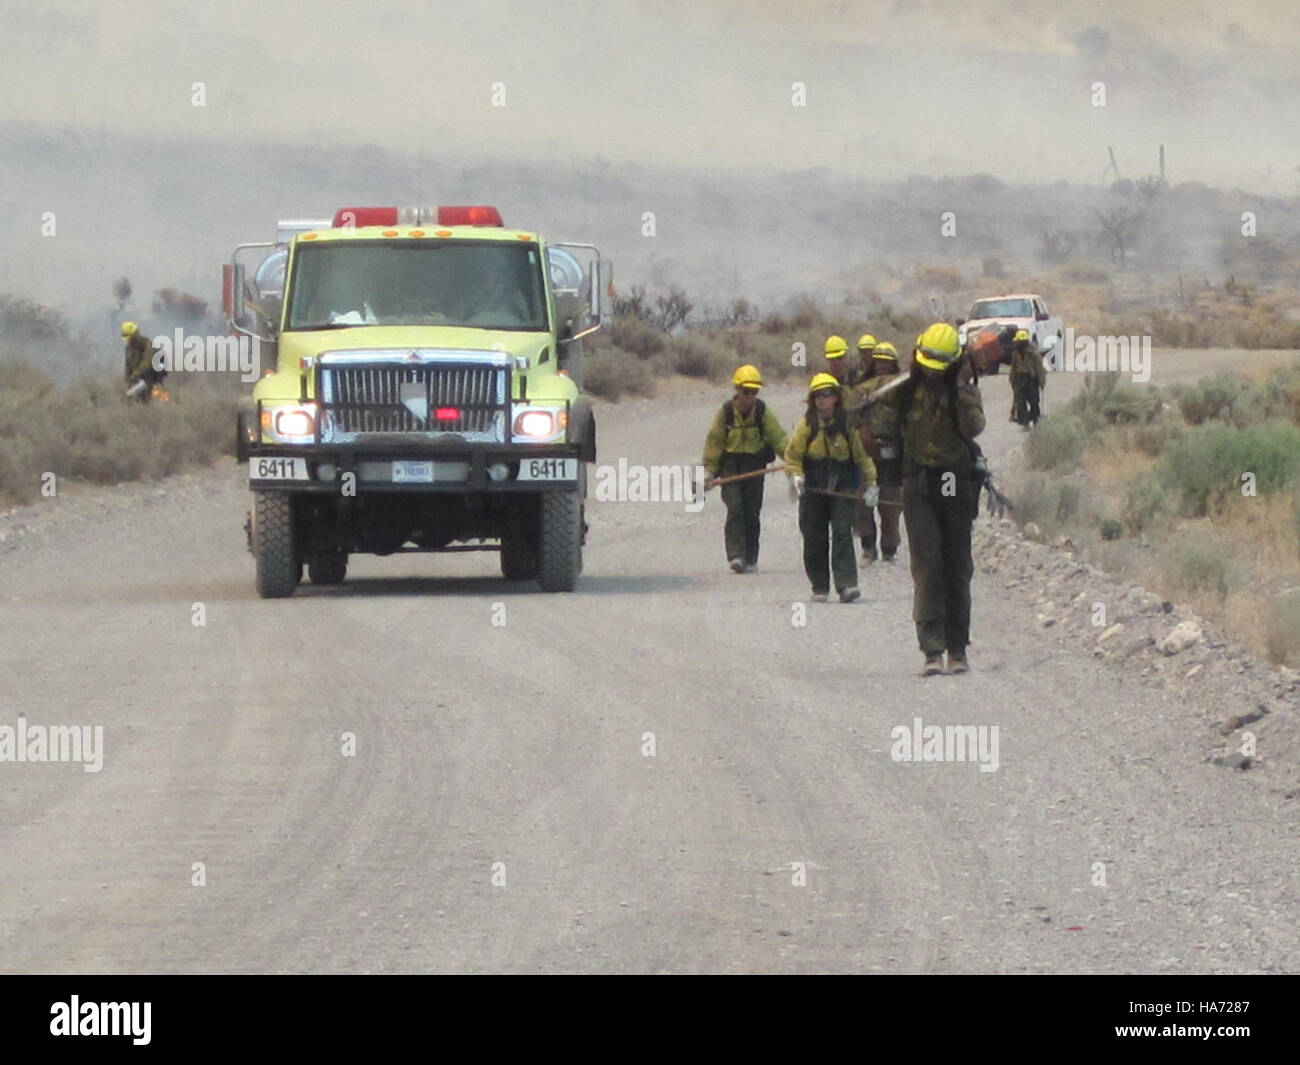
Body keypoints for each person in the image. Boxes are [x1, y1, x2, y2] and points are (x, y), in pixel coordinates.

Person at [875, 323, 985, 675]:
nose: (932, 374)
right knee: (928, 564)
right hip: (918, 483)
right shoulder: (904, 391)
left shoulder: (962, 390)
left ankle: (957, 649)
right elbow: (880, 427)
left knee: (956, 563)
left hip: (953, 480)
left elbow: (975, 428)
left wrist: (963, 388)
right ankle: (932, 650)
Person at [785, 373, 878, 603]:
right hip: (813, 490)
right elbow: (792, 456)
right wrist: (796, 477)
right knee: (813, 536)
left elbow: (861, 458)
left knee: (842, 534)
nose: (822, 400)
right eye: (818, 395)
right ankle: (820, 586)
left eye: (827, 394)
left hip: (843, 487)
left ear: (836, 398)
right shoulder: (806, 426)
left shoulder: (848, 426)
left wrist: (872, 485)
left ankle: (846, 585)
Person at [701, 364, 788, 573]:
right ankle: (736, 555)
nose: (750, 396)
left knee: (752, 510)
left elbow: (779, 438)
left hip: (754, 465)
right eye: (746, 392)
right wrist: (708, 472)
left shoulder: (762, 411)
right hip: (730, 465)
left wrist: (795, 461)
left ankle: (750, 557)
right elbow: (714, 443)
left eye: (754, 392)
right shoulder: (725, 413)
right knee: (735, 508)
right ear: (737, 390)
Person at [856, 341, 903, 564]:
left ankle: (889, 548)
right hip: (866, 453)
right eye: (879, 363)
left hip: (892, 452)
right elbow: (850, 416)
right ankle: (867, 545)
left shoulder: (903, 387)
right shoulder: (860, 389)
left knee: (891, 503)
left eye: (886, 363)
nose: (882, 367)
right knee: (864, 500)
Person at [1008, 329, 1046, 427]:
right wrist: (1012, 379)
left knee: (1034, 401)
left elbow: (1040, 368)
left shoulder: (1034, 354)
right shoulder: (1016, 353)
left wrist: (1042, 382)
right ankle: (1024, 422)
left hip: (1031, 379)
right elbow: (1014, 368)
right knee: (1020, 402)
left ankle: (1035, 419)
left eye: (1017, 341)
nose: (1016, 343)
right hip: (1020, 379)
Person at [121, 321, 166, 402]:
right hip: (139, 376)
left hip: (151, 374)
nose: (130, 340)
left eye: (131, 338)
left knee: (144, 396)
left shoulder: (147, 345)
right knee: (131, 395)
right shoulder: (128, 348)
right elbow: (128, 364)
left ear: (136, 334)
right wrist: (128, 378)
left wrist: (137, 373)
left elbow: (147, 361)